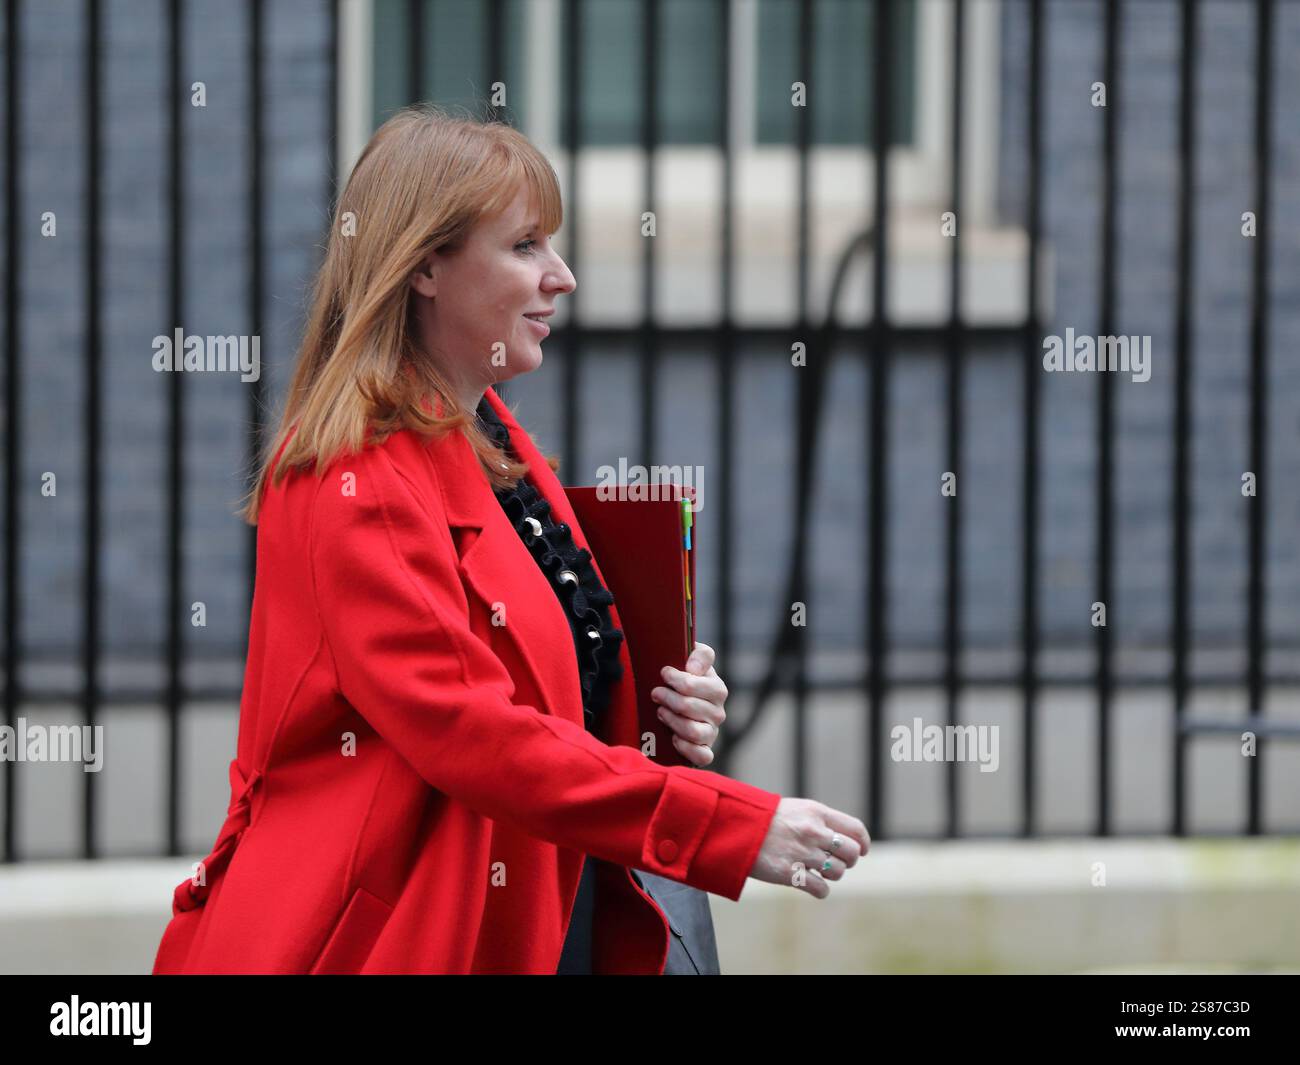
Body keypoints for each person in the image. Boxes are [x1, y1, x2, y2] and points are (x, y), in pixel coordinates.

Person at [150, 103, 870, 976]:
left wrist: (666, 708)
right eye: (525, 245)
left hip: (536, 910)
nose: (560, 276)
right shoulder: (354, 479)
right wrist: (725, 821)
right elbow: (477, 733)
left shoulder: (490, 438)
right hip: (398, 939)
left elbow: (549, 684)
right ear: (424, 267)